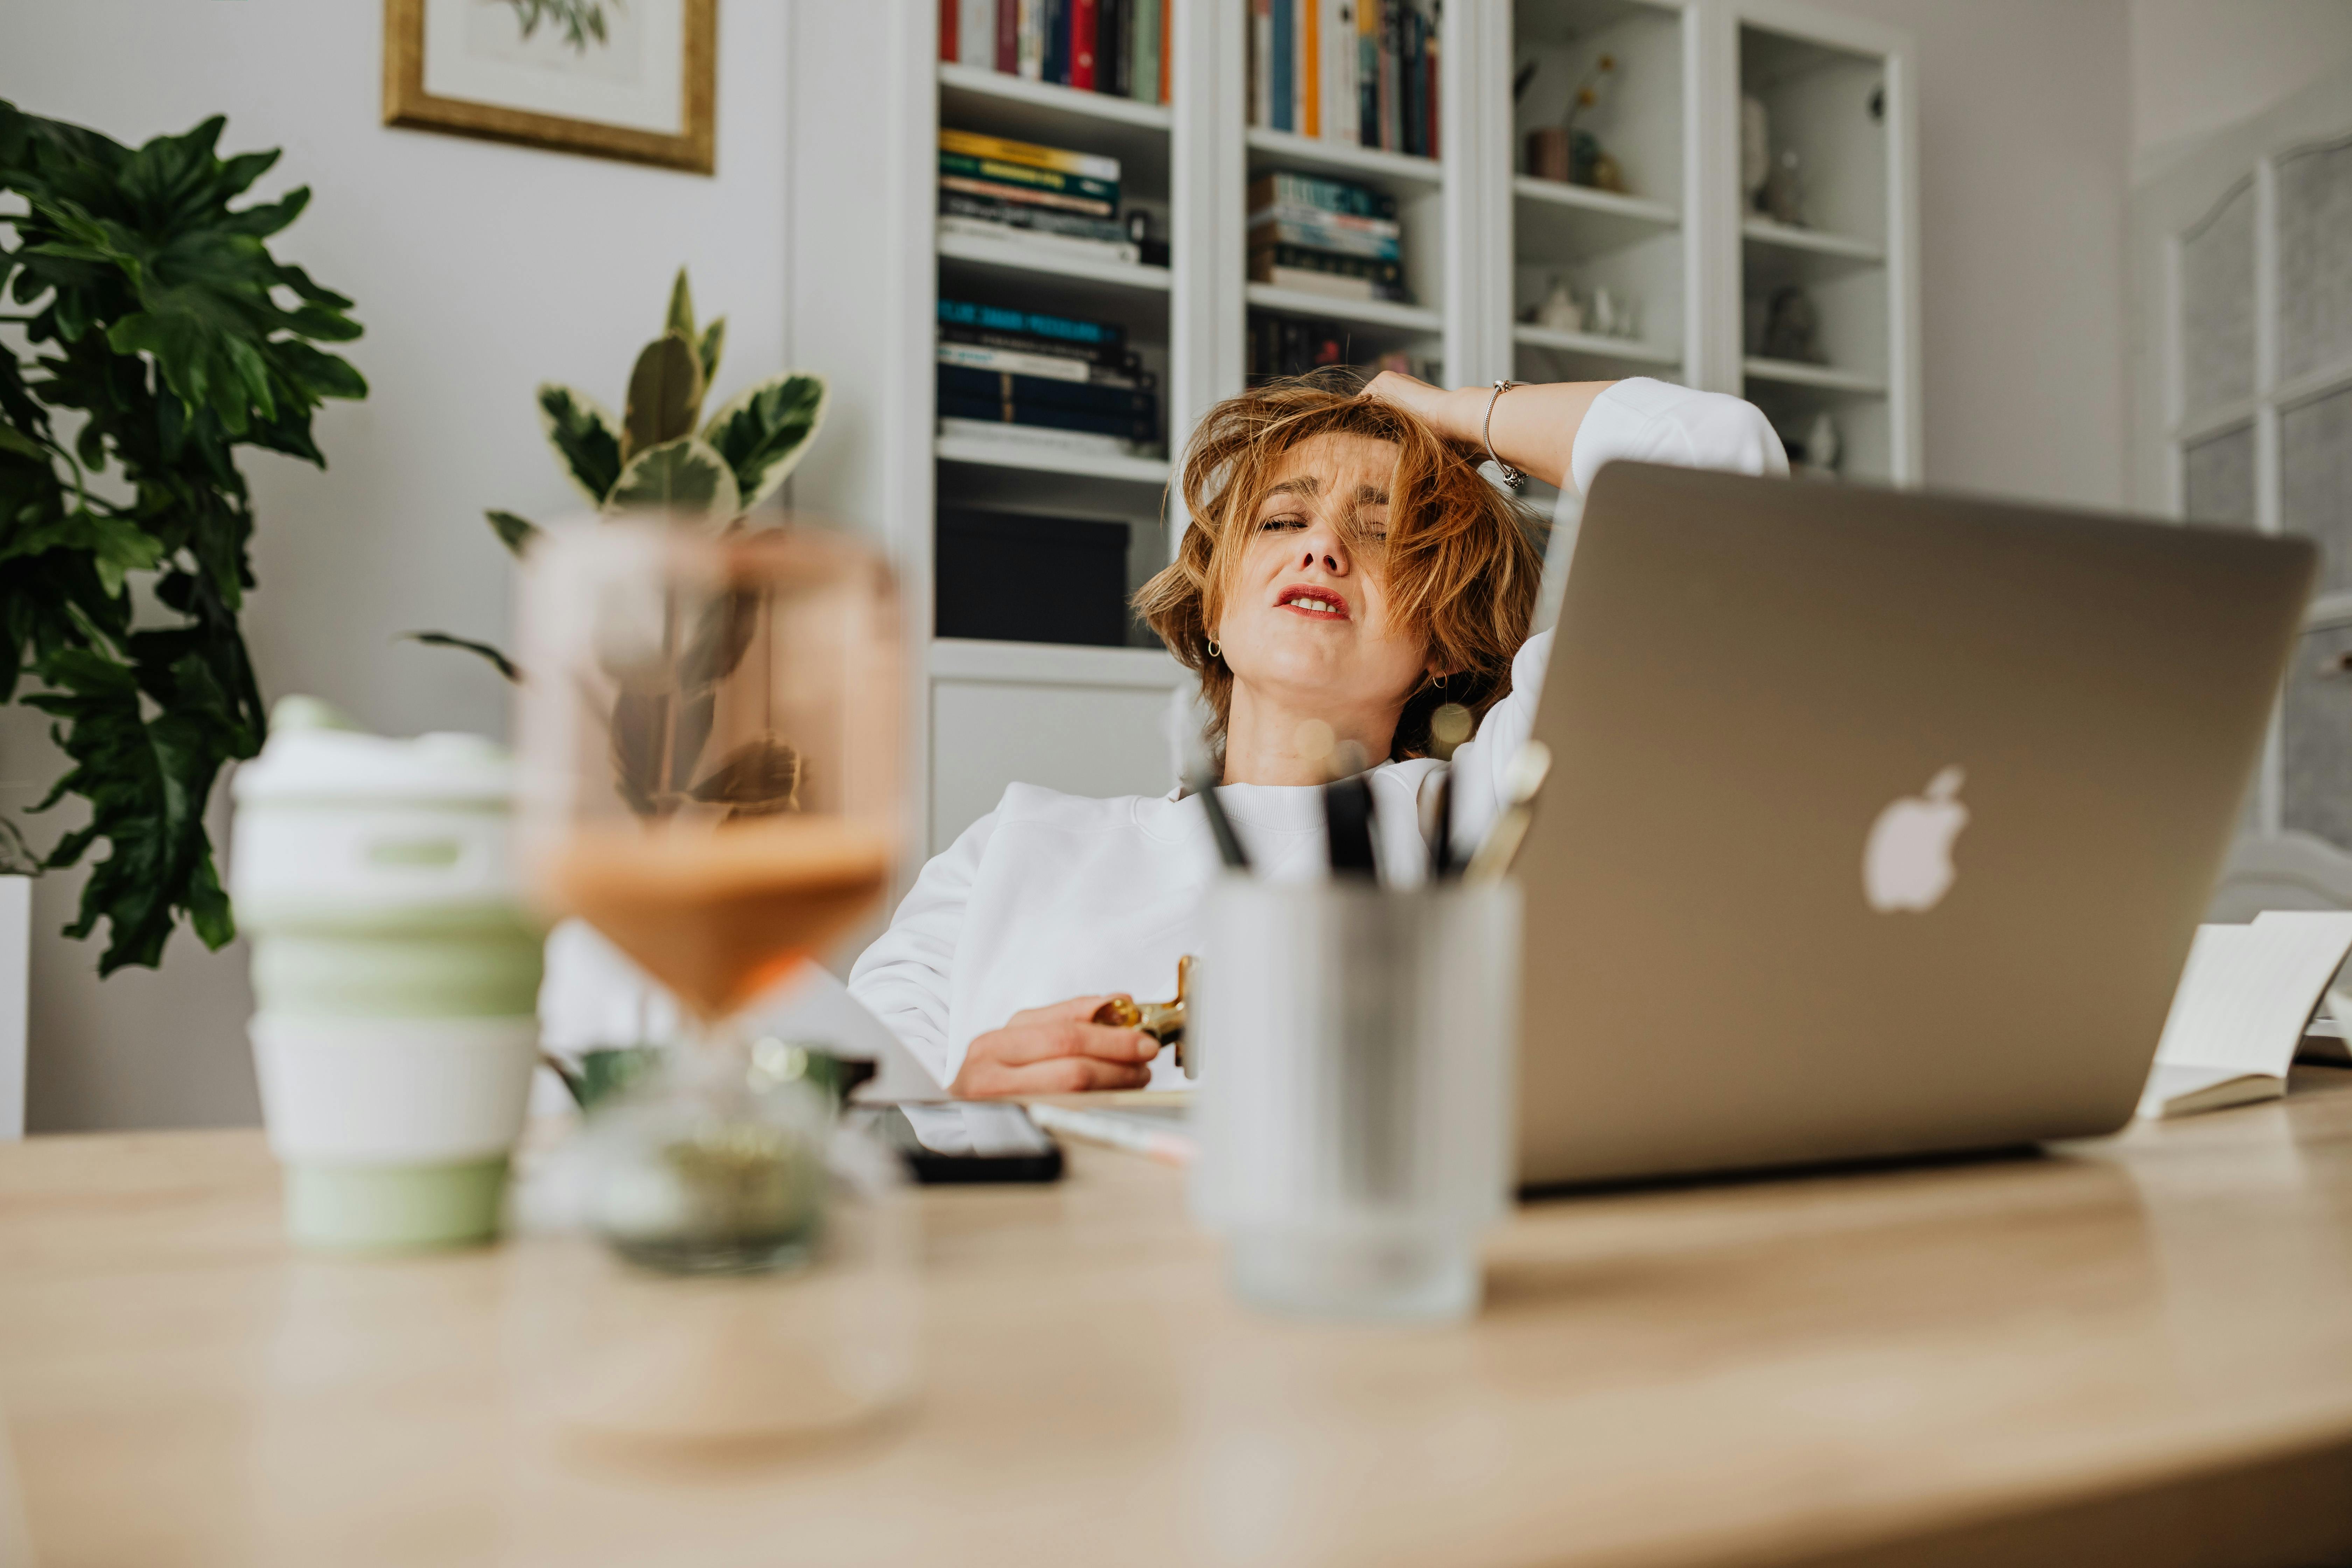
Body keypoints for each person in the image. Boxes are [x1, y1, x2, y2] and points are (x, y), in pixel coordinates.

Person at [847, 374, 1787, 1098]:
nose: (1322, 548)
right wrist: (962, 1105)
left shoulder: (1490, 813)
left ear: (1441, 646)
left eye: (1380, 535)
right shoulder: (1011, 850)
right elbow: (841, 1117)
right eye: (1284, 518)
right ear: (1213, 604)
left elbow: (1720, 461)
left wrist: (1449, 414)